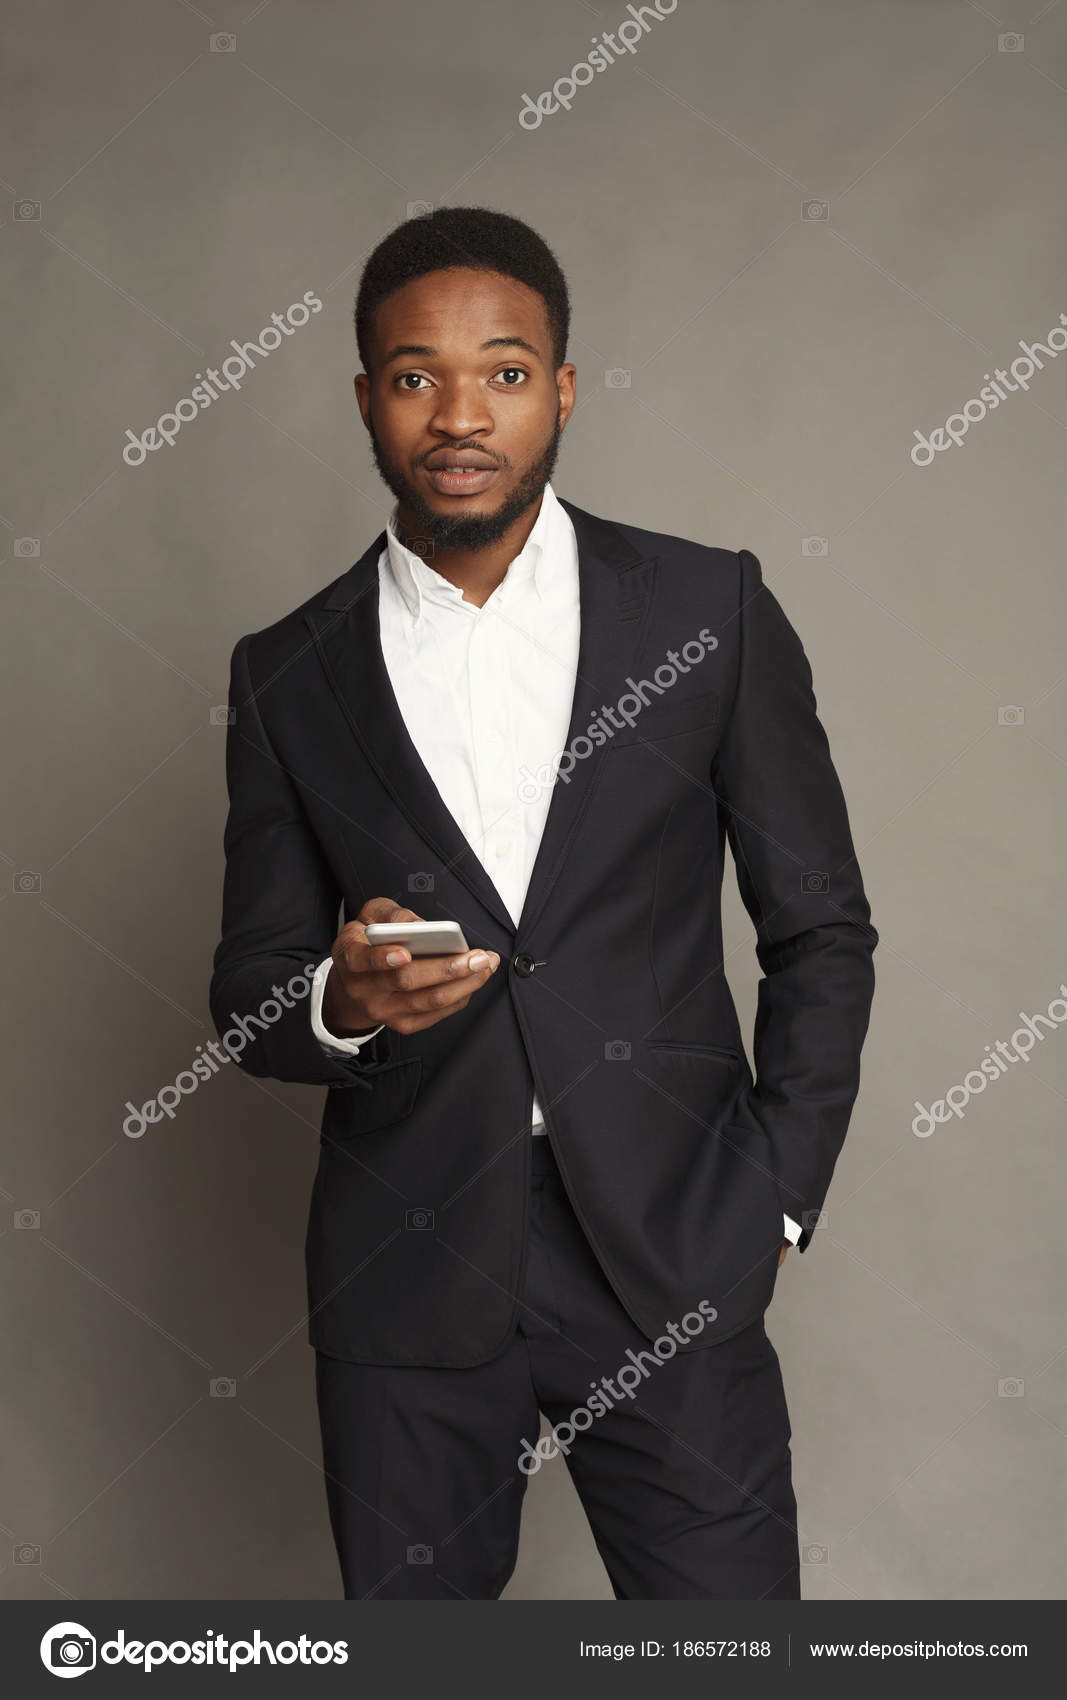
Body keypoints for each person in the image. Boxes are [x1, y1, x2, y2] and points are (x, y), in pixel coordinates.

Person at [209, 205, 877, 1600]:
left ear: (562, 389)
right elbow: (252, 990)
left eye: (505, 372)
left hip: (670, 1246)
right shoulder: (286, 670)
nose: (461, 414)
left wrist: (773, 1200)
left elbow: (821, 930)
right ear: (367, 401)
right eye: (415, 376)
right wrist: (337, 1003)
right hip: (407, 1272)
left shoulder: (707, 611)